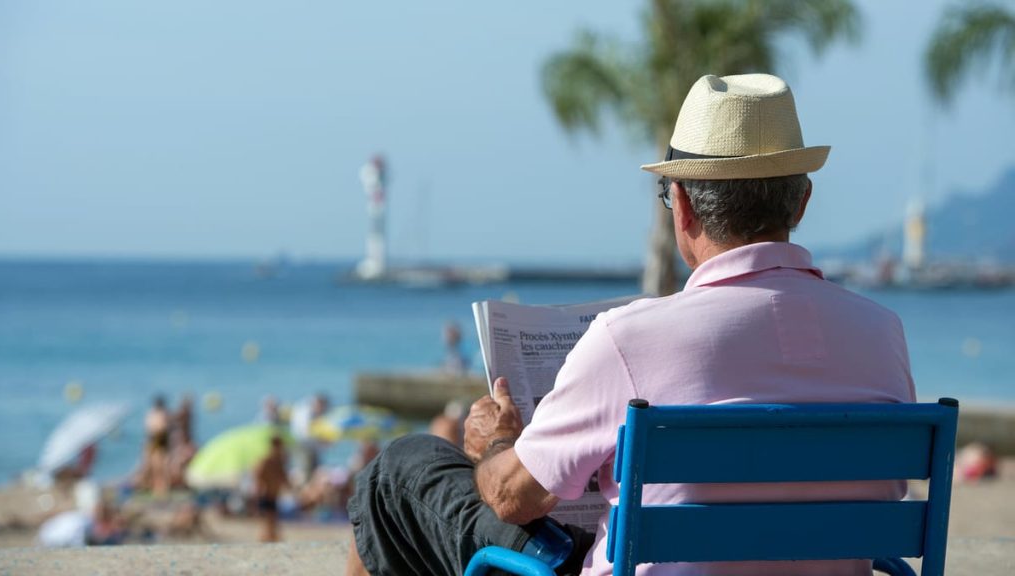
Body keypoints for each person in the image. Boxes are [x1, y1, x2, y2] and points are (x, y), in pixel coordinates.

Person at [345, 73, 917, 576]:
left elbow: (513, 498)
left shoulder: (631, 340)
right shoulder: (882, 333)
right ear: (801, 203)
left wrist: (497, 441)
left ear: (683, 205)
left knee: (398, 475)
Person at [254, 436, 290, 542]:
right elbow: (258, 475)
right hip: (266, 492)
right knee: (269, 517)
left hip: (273, 493)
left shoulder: (278, 461)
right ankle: (268, 536)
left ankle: (270, 536)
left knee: (272, 517)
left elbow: (283, 477)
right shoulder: (267, 460)